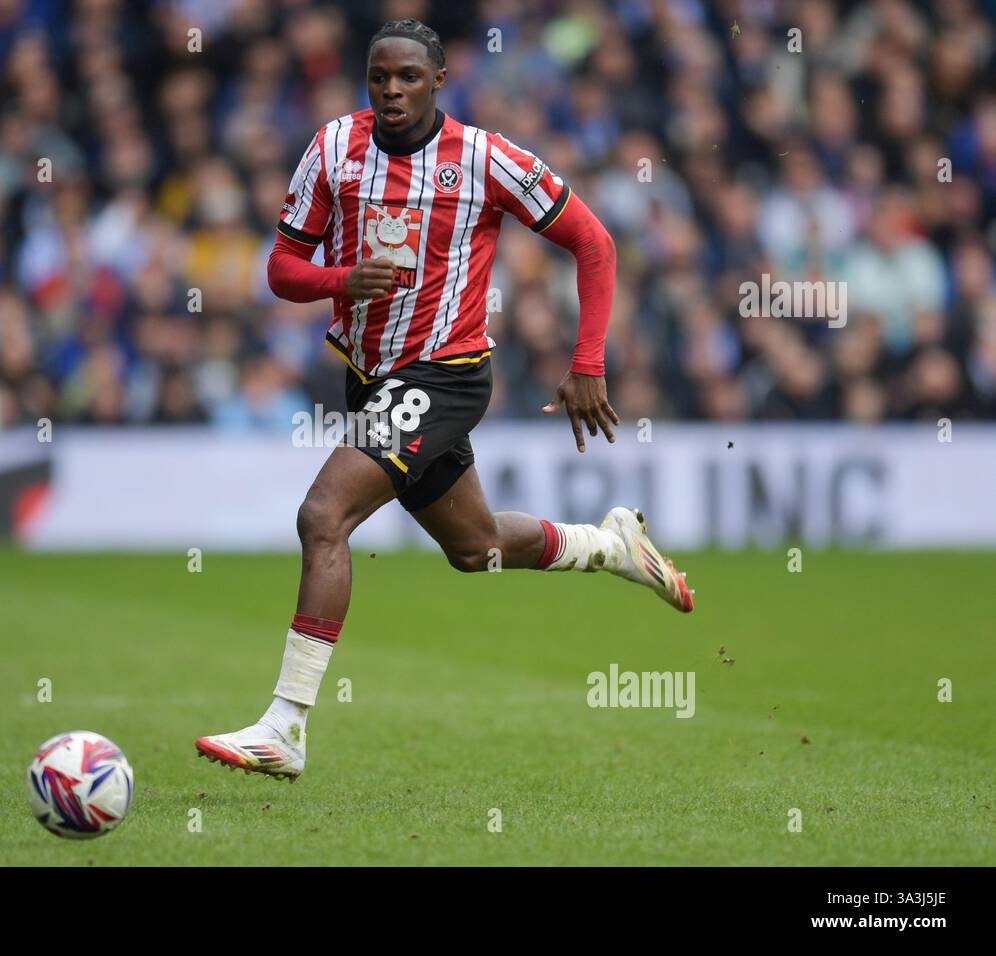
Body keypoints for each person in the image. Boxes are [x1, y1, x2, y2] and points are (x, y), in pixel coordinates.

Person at [196, 19, 693, 781]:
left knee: (322, 515)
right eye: (378, 78)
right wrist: (341, 279)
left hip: (446, 373)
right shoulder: (333, 149)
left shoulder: (488, 159)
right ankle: (612, 546)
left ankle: (286, 725)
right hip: (370, 376)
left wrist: (587, 361)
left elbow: (594, 242)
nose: (391, 91)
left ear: (438, 81)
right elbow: (282, 268)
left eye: (407, 78)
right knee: (478, 548)